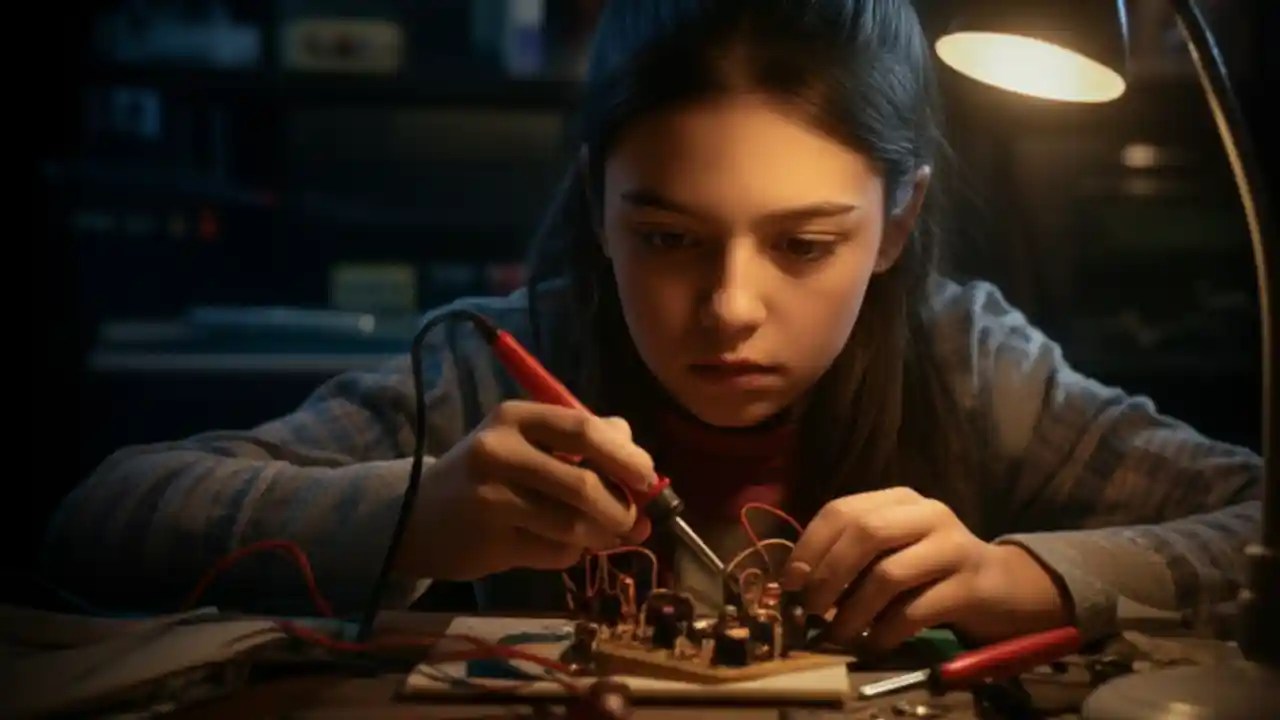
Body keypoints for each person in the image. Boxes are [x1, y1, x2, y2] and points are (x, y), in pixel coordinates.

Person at [42, 0, 1260, 653]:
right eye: (669, 236)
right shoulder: (488, 372)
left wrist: (1024, 576)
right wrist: (418, 510)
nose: (729, 308)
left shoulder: (971, 364)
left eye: (803, 243)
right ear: (596, 207)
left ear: (897, 224)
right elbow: (100, 523)